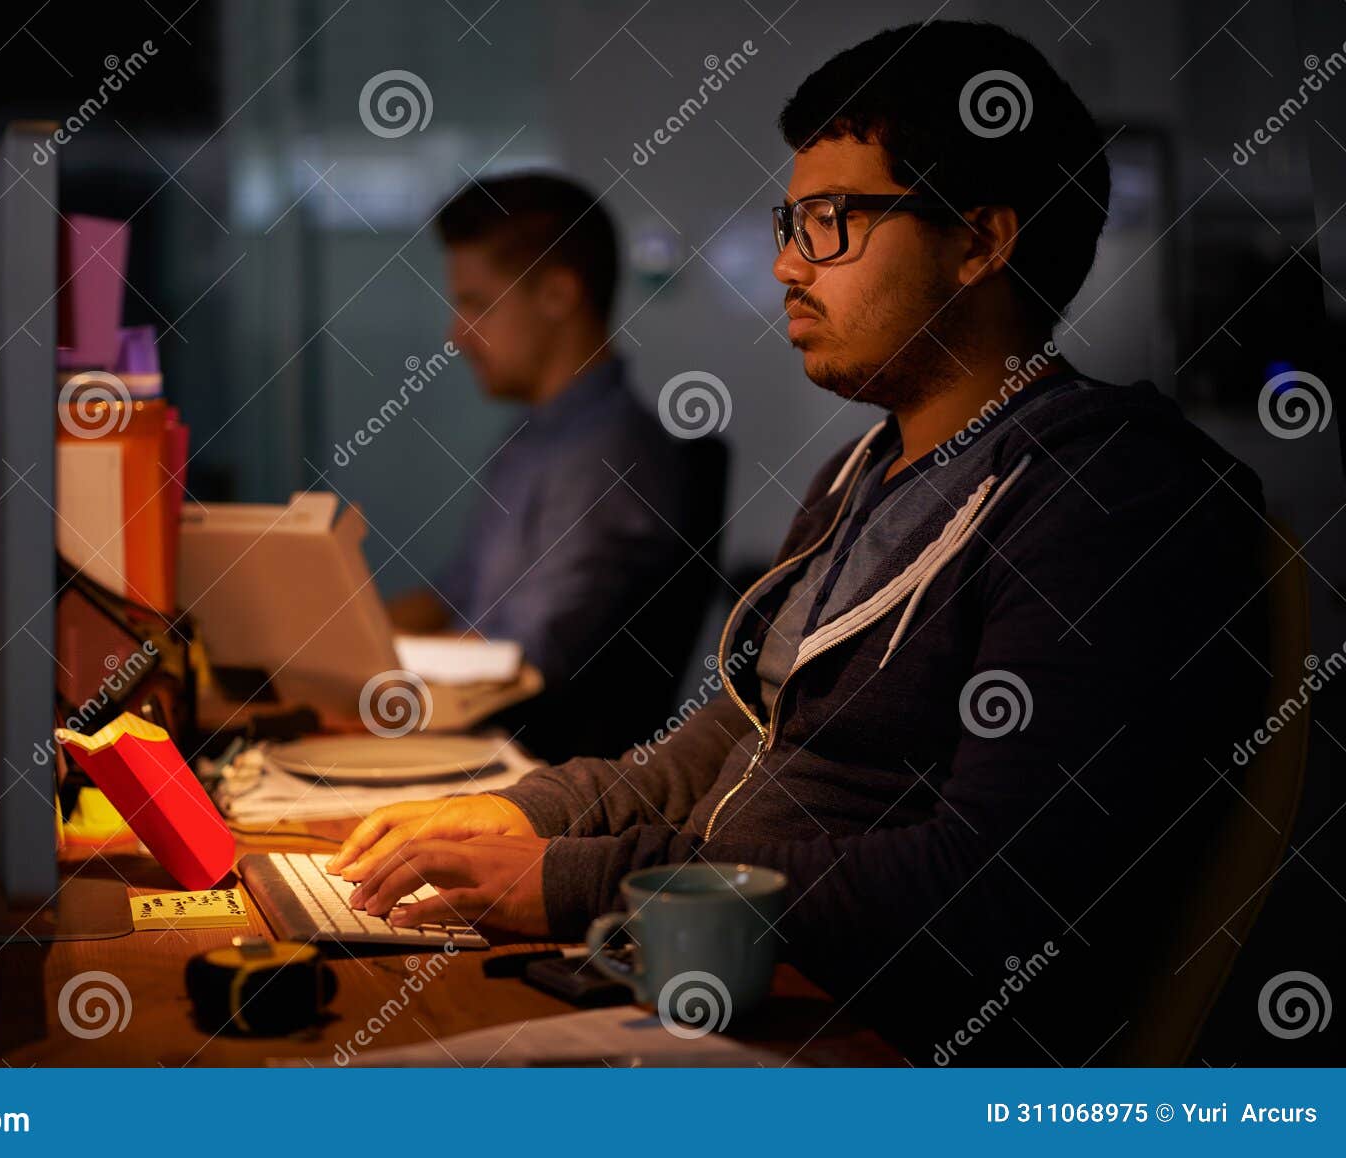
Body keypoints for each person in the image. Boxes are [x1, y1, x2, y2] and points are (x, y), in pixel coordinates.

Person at [335, 22, 1268, 1063]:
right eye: (792, 220)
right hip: (718, 977)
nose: (785, 263)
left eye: (830, 222)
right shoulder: (861, 474)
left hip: (864, 1042)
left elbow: (984, 889)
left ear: (978, 240)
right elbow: (725, 742)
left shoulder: (1108, 497)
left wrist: (575, 880)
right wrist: (523, 814)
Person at [387, 173, 724, 761]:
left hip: (527, 769)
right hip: (471, 737)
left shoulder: (611, 455)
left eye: (477, 304)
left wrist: (367, 662)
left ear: (558, 296)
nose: (457, 334)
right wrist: (333, 636)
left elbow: (521, 659)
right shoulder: (530, 434)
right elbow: (456, 591)